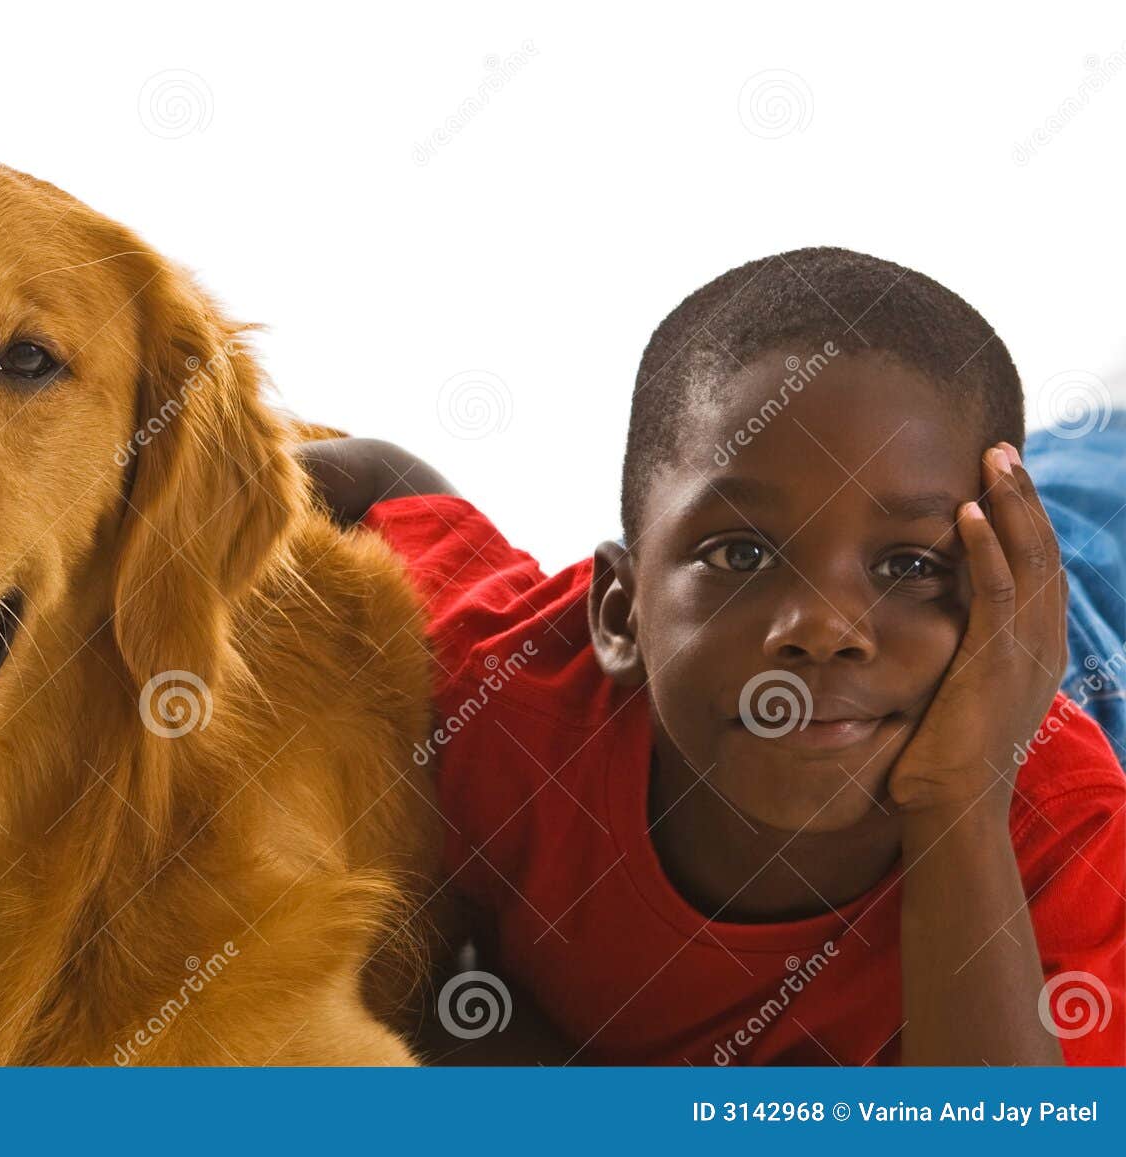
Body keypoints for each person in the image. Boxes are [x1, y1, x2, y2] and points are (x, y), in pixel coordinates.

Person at [298, 248, 1126, 1066]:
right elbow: (381, 482)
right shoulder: (509, 694)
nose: (824, 626)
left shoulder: (1060, 821)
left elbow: (1000, 1125)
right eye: (741, 554)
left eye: (908, 565)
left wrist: (961, 803)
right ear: (618, 612)